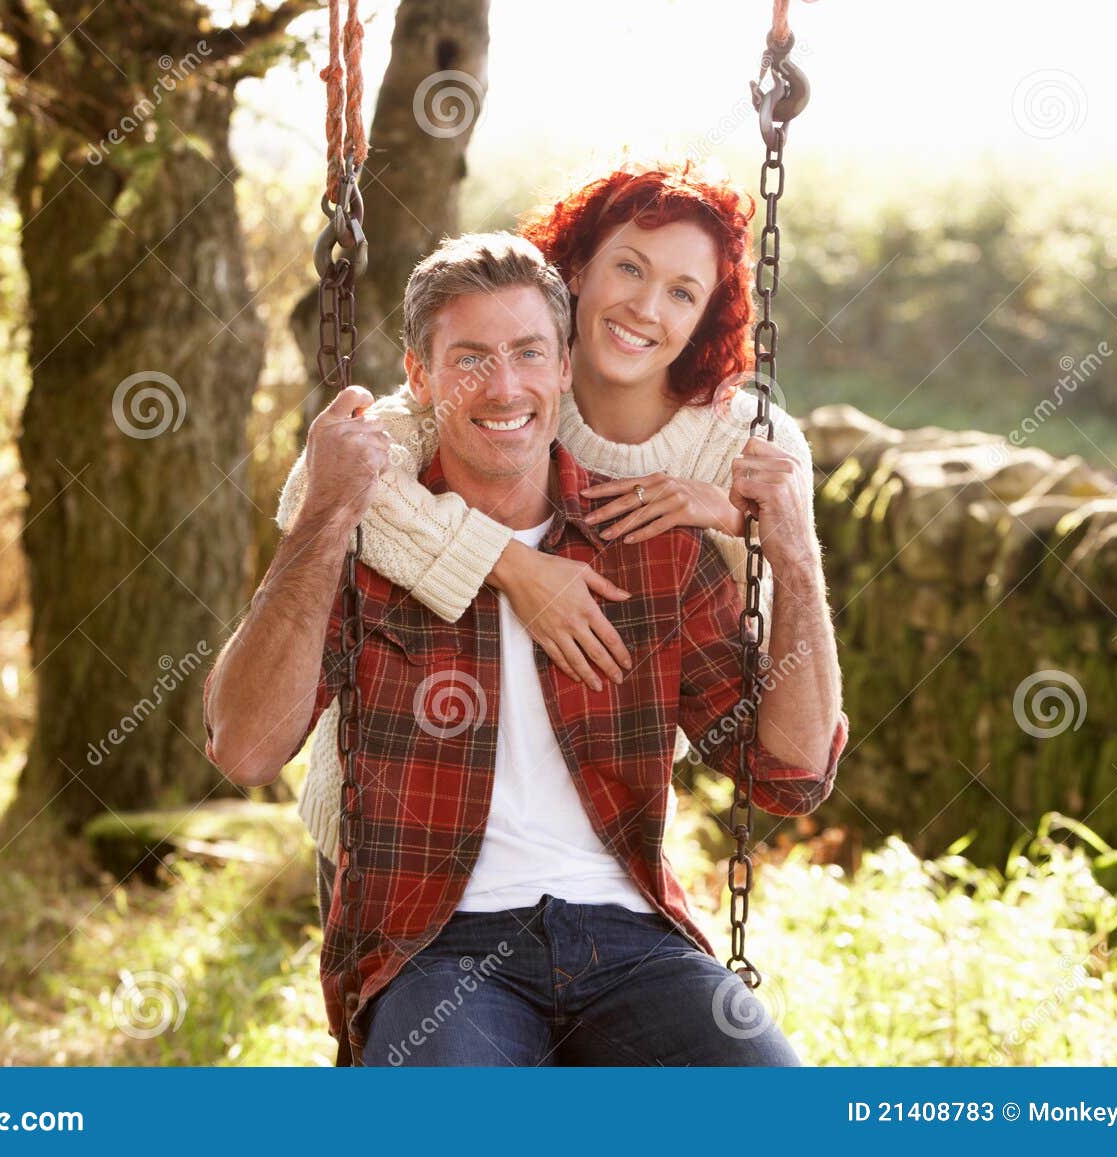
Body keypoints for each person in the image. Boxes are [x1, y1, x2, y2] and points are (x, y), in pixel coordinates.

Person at [204, 233, 848, 1065]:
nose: (504, 386)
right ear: (420, 376)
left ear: (563, 367)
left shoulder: (648, 544)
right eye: (469, 359)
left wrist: (792, 548)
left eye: (528, 353)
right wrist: (327, 514)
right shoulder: (371, 541)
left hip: (631, 941)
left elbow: (789, 773)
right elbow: (246, 747)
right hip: (437, 948)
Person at [275, 162, 833, 897]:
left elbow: (770, 665)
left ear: (707, 315)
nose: (645, 308)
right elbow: (320, 493)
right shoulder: (506, 385)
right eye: (628, 268)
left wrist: (738, 524)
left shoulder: (746, 447)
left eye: (682, 292)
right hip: (395, 824)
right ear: (575, 270)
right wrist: (513, 566)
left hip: (585, 841)